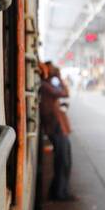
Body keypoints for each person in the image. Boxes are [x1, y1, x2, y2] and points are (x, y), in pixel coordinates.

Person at [40, 61, 77, 201]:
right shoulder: (45, 86)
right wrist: (60, 77)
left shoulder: (47, 85)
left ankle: (60, 191)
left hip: (58, 127)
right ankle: (59, 193)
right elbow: (65, 93)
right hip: (55, 128)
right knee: (62, 161)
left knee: (64, 160)